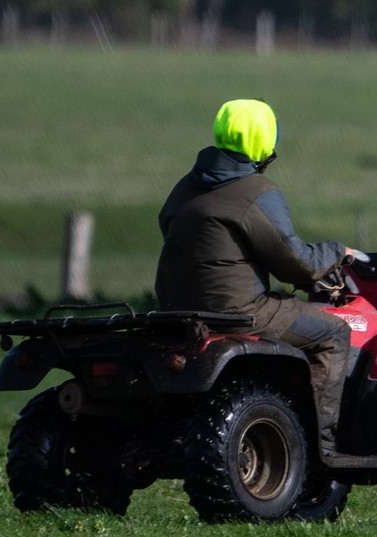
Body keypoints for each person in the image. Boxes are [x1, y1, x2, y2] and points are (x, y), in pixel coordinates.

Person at [154, 98, 359, 461]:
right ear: (265, 140)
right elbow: (296, 265)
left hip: (176, 311)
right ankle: (323, 446)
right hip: (239, 311)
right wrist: (337, 251)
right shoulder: (257, 192)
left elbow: (168, 226)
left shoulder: (185, 186)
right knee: (333, 333)